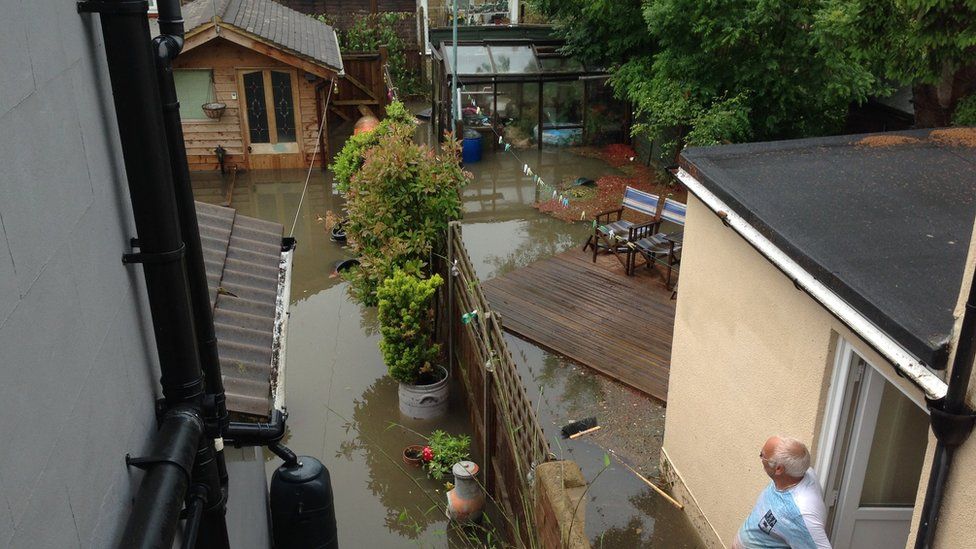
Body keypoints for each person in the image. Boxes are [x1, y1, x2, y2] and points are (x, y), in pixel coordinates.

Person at [733, 436, 832, 549]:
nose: (760, 458)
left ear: (779, 469)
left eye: (762, 455)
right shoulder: (803, 473)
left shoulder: (800, 513)